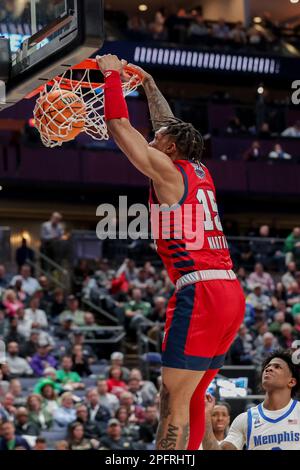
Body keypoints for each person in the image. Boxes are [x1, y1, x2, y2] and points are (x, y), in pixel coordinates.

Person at [96, 54, 245, 450]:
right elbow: (168, 125)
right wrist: (148, 84)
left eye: (159, 139)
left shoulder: (166, 171)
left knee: (172, 400)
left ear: (171, 148)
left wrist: (111, 75)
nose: (153, 137)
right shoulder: (199, 170)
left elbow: (118, 125)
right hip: (230, 291)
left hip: (202, 294)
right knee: (193, 396)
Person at [203, 351, 300, 450]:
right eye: (267, 367)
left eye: (277, 367)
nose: (268, 369)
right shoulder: (245, 419)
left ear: (291, 381)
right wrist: (206, 416)